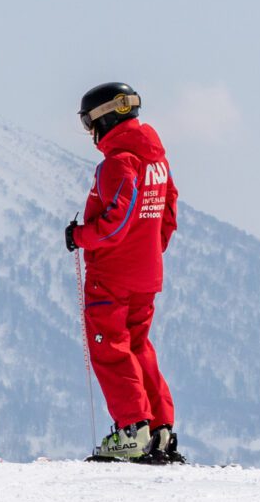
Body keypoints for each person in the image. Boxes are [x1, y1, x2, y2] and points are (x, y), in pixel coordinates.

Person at [65, 82, 182, 463]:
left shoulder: (119, 162)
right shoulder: (156, 161)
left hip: (113, 274)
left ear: (104, 118)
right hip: (146, 272)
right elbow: (168, 211)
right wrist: (150, 250)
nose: (90, 133)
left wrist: (81, 236)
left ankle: (132, 429)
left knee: (110, 348)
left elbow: (116, 221)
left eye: (88, 123)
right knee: (138, 347)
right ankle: (159, 430)